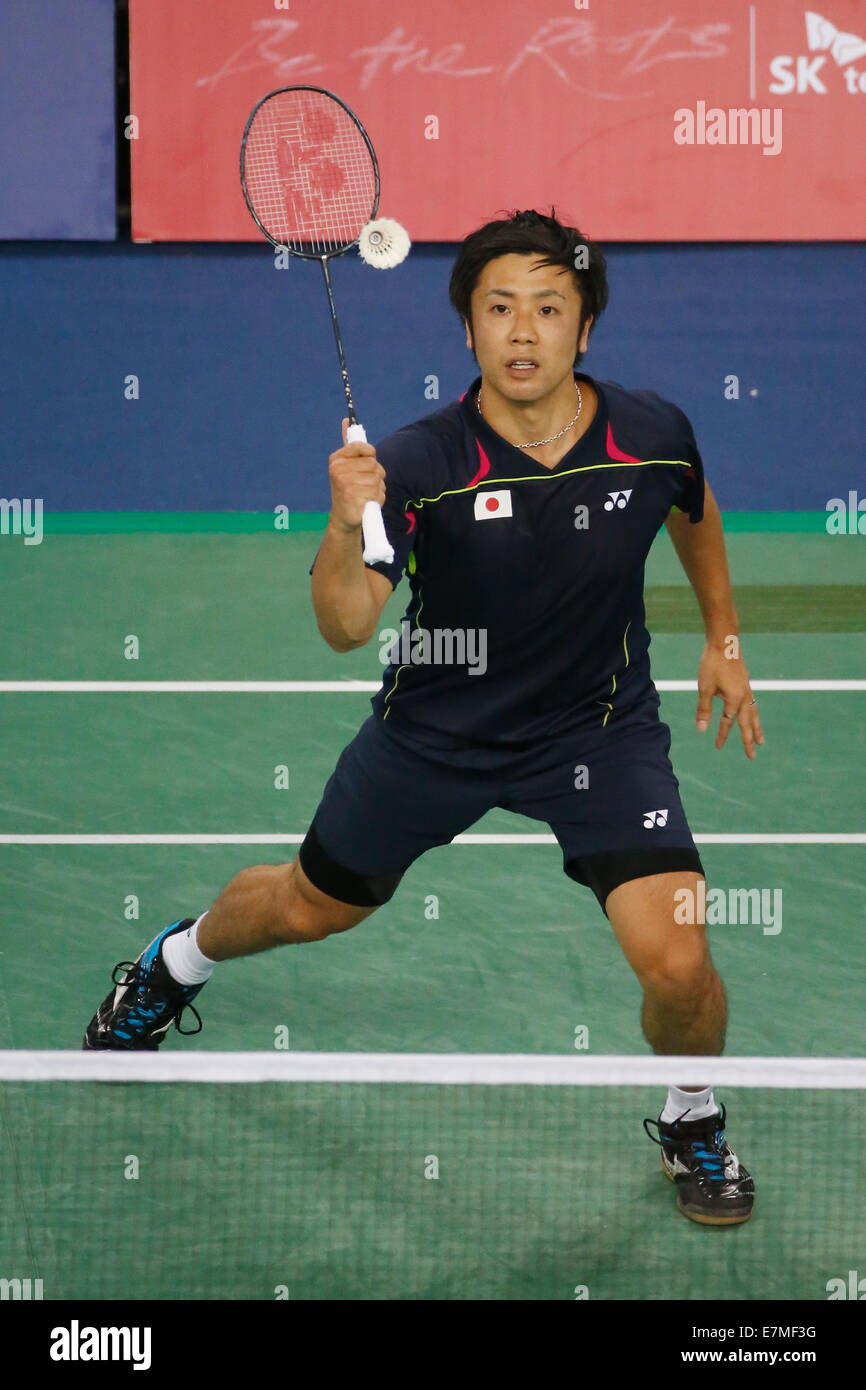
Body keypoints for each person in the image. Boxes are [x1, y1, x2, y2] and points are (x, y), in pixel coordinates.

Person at [84, 209, 762, 1226]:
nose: (522, 331)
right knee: (311, 905)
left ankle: (691, 1116)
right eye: (498, 309)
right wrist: (336, 515)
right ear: (467, 332)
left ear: (584, 330)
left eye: (547, 308)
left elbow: (689, 506)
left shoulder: (649, 433)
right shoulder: (416, 464)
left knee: (675, 955)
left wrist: (723, 636)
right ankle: (176, 960)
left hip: (596, 732)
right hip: (435, 733)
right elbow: (346, 626)